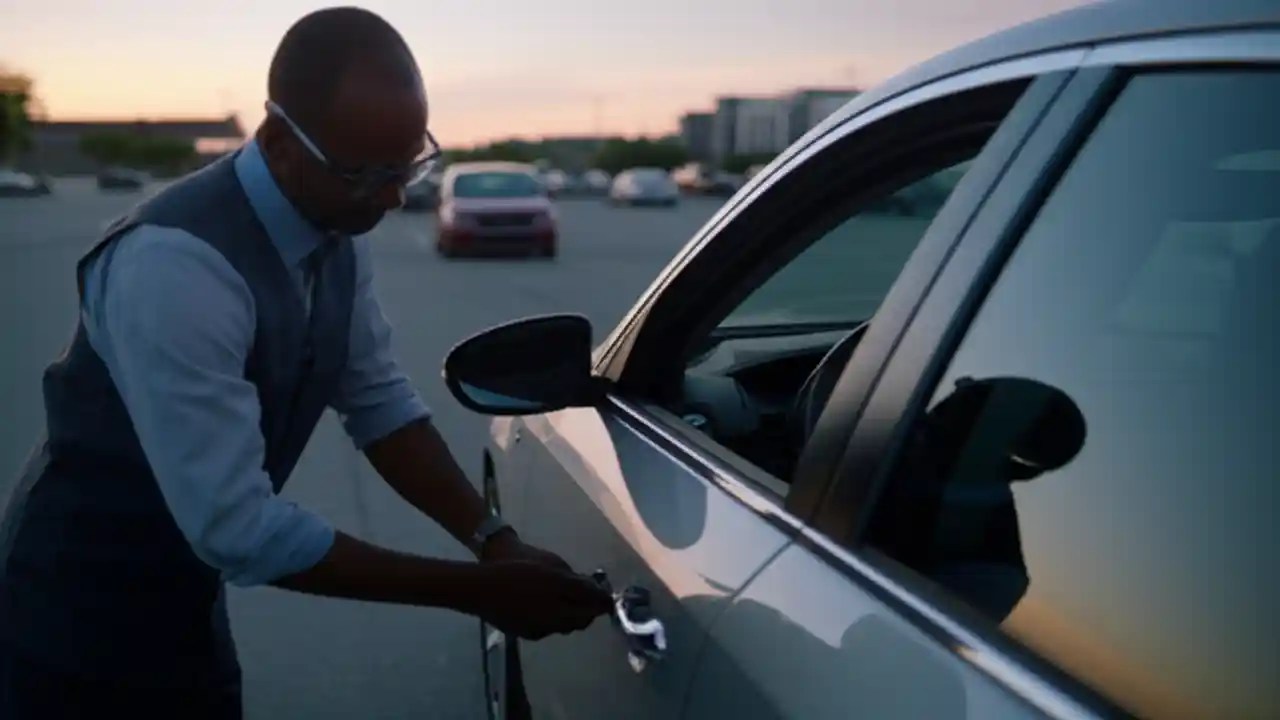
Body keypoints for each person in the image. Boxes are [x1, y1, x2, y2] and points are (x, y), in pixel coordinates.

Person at [0, 7, 610, 717]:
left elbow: (380, 405)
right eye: (366, 174)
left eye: (409, 165)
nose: (392, 198)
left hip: (184, 605)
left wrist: (494, 542)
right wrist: (478, 591)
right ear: (278, 141)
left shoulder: (336, 219)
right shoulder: (174, 266)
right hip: (69, 619)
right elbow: (238, 528)